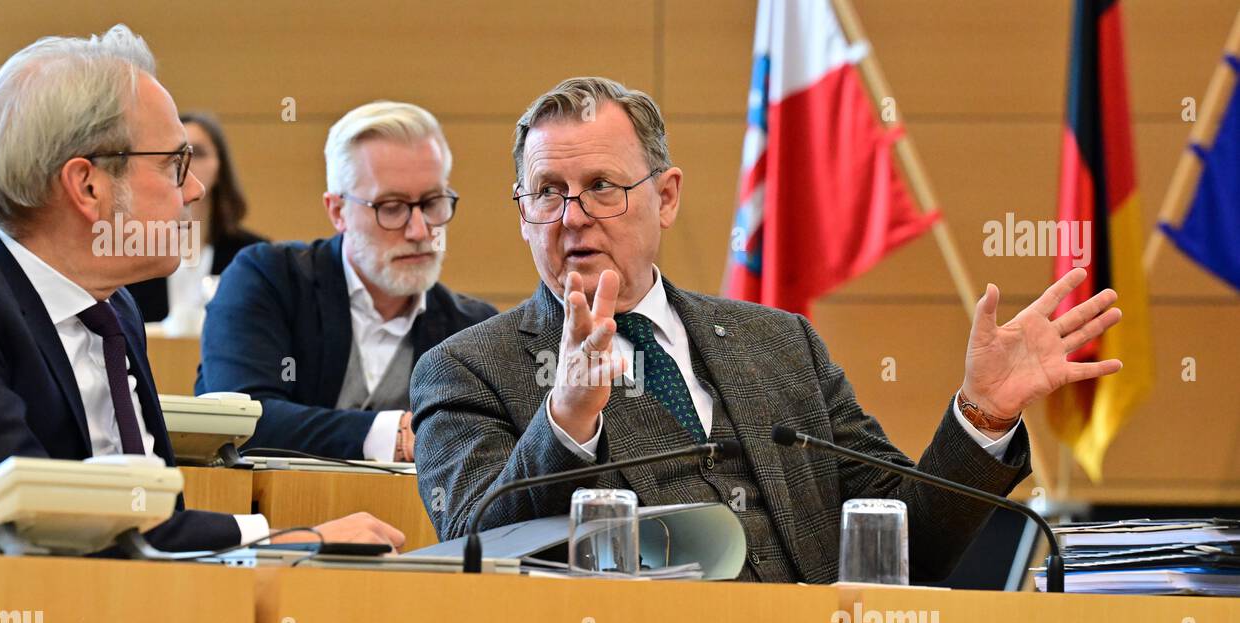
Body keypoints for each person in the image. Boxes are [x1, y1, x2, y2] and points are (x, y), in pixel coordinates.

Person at [410, 77, 1124, 583]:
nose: (572, 216)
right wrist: (565, 420)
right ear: (522, 210)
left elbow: (905, 543)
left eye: (602, 186)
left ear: (666, 197)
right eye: (548, 193)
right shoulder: (468, 369)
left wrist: (983, 415)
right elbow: (476, 555)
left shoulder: (780, 345)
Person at [0, 25, 403, 552]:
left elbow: (147, 529)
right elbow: (31, 521)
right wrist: (280, 536)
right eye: (173, 164)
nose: (196, 188)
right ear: (88, 186)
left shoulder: (115, 309)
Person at [197, 101, 496, 462]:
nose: (420, 230)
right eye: (391, 206)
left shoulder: (474, 329)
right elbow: (239, 421)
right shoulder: (268, 280)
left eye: (433, 202)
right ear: (338, 211)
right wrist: (395, 434)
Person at [127, 112, 267, 329]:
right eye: (176, 155)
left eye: (198, 153)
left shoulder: (252, 254)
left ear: (220, 167)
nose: (186, 164)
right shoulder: (134, 252)